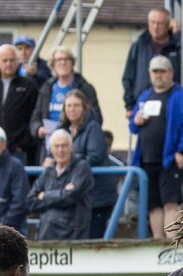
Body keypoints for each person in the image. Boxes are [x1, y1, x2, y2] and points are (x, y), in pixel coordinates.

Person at [129, 57, 183, 240]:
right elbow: (133, 127)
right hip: (147, 158)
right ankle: (158, 243)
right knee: (153, 204)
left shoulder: (182, 96)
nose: (158, 75)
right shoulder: (145, 96)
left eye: (162, 71)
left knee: (170, 202)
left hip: (171, 159)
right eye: (155, 71)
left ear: (171, 73)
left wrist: (182, 150)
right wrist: (135, 120)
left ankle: (172, 244)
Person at [61, 89, 116, 239]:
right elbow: (52, 153)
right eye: (69, 106)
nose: (72, 109)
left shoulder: (93, 127)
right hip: (76, 196)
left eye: (76, 105)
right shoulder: (62, 130)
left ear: (84, 107)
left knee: (94, 239)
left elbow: (95, 157)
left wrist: (67, 161)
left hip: (97, 196)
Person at [31, 46, 102, 162]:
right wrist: (38, 128)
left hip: (77, 148)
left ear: (72, 63)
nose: (62, 62)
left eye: (66, 59)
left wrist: (78, 129)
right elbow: (35, 117)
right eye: (58, 60)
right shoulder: (46, 88)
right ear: (52, 64)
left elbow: (97, 117)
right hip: (50, 145)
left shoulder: (85, 87)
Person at [123, 7, 183, 112]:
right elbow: (128, 76)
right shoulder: (139, 45)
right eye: (152, 22)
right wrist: (129, 106)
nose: (155, 27)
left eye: (160, 23)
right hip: (143, 104)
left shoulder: (177, 45)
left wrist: (178, 34)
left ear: (168, 25)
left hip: (172, 104)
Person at [0, 44, 39, 165]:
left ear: (18, 61)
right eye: (5, 60)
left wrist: (23, 144)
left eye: (12, 60)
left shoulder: (29, 86)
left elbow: (35, 115)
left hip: (18, 150)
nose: (8, 64)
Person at [29, 128, 93, 239]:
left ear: (71, 147)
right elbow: (30, 201)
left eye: (64, 146)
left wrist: (45, 195)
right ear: (51, 149)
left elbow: (71, 196)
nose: (60, 150)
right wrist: (62, 193)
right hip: (46, 234)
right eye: (56, 146)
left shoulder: (81, 167)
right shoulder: (48, 171)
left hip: (72, 236)